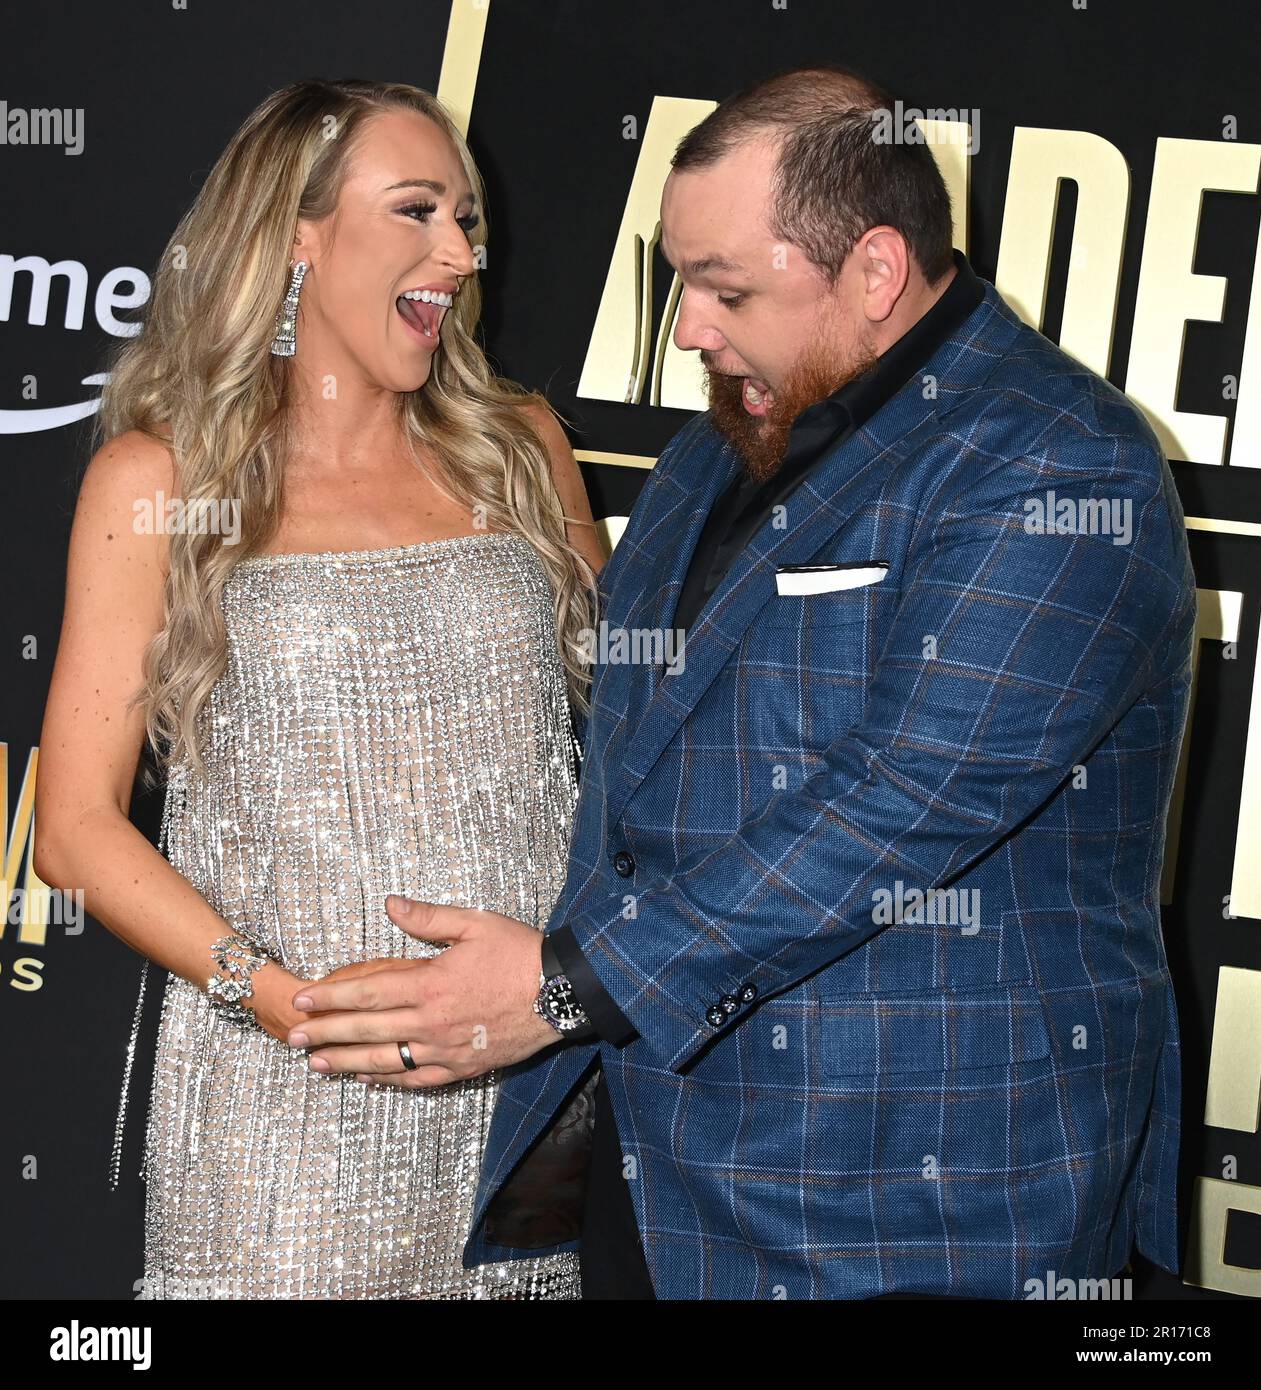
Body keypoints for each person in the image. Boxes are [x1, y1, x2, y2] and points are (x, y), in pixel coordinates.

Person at [286, 65, 1194, 1301]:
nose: (688, 330)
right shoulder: (715, 449)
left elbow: (904, 802)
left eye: (724, 290)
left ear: (873, 273)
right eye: (680, 282)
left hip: (921, 1209)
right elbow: (631, 765)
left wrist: (563, 986)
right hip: (662, 1183)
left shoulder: (1055, 463)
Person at [33, 78, 604, 1300]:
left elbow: (638, 745)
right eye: (416, 211)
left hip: (512, 1092)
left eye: (465, 219)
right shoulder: (161, 478)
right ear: (296, 234)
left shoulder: (517, 445)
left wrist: (564, 987)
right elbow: (73, 829)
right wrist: (277, 999)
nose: (457, 252)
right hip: (278, 1116)